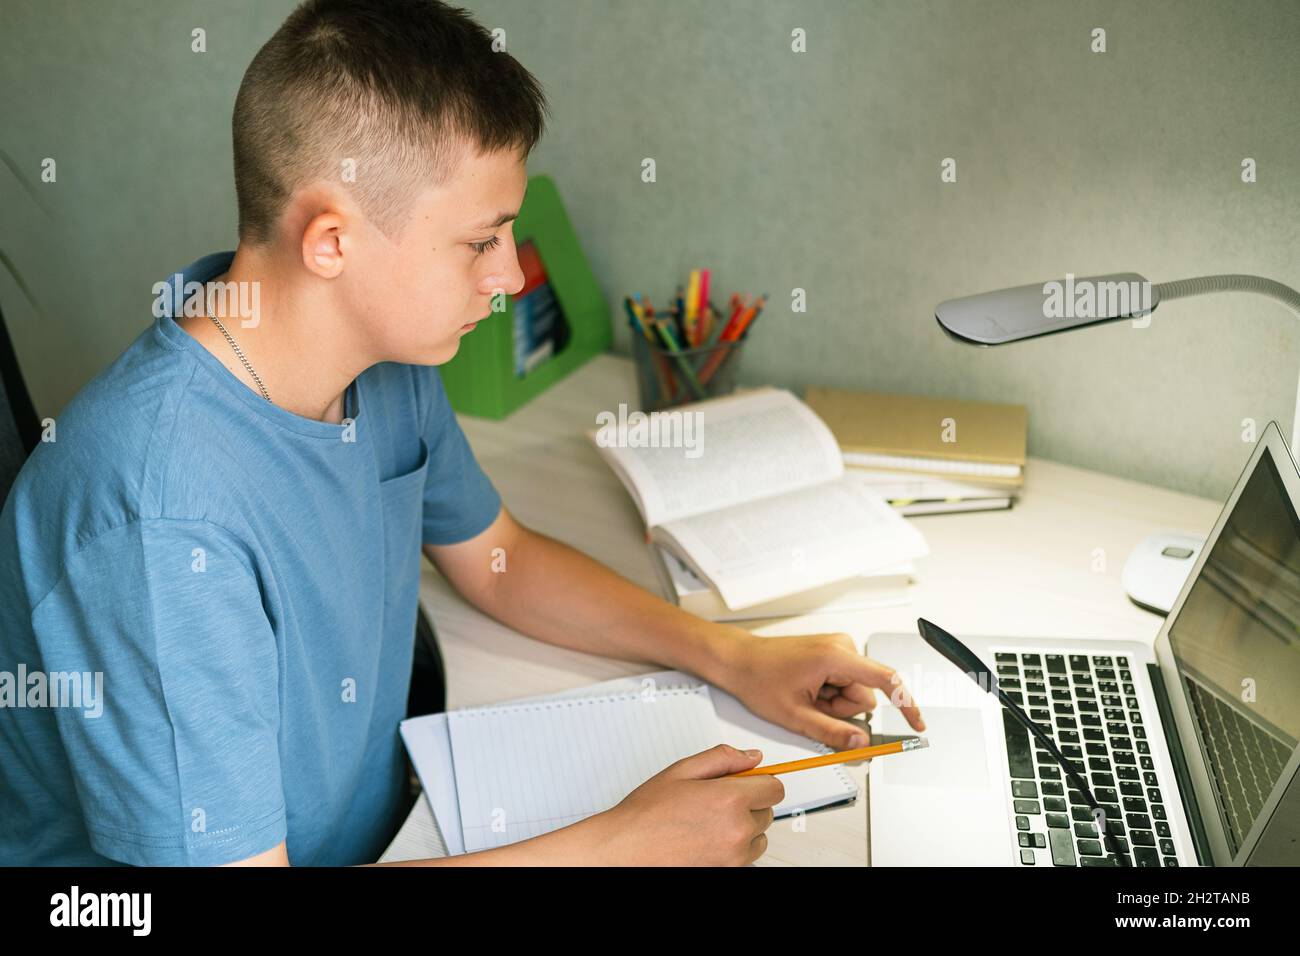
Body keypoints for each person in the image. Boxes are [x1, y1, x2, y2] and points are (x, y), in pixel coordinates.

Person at [0, 0, 923, 867]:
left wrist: (733, 655)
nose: (513, 278)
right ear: (330, 240)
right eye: (480, 242)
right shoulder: (159, 517)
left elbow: (500, 558)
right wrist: (622, 846)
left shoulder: (383, 356)